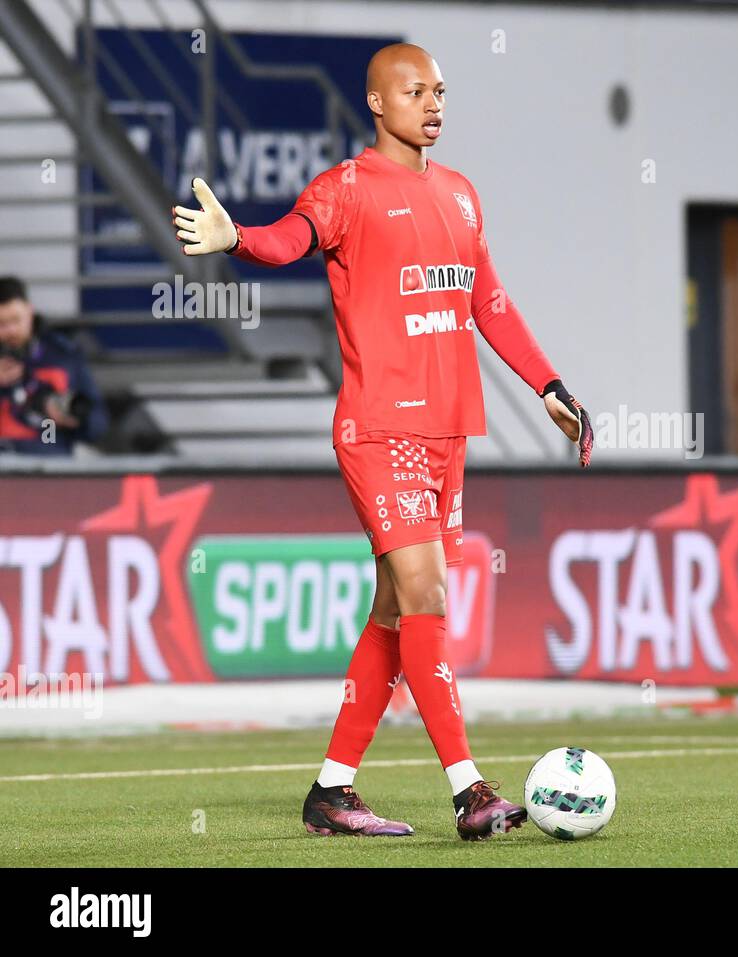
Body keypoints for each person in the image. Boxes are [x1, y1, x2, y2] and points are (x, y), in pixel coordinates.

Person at [172, 43, 593, 841]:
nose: (432, 103)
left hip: (447, 433)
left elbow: (489, 301)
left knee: (398, 612)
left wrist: (549, 386)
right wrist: (236, 238)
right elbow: (290, 240)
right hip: (380, 427)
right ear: (376, 102)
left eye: (440, 90)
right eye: (415, 90)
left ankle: (332, 791)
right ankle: (470, 791)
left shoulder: (462, 196)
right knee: (428, 593)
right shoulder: (347, 188)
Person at [0, 276, 108, 457]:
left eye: (16, 320)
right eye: (2, 324)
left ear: (29, 312)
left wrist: (73, 418)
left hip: (51, 469)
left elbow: (97, 423)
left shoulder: (63, 354)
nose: (11, 330)